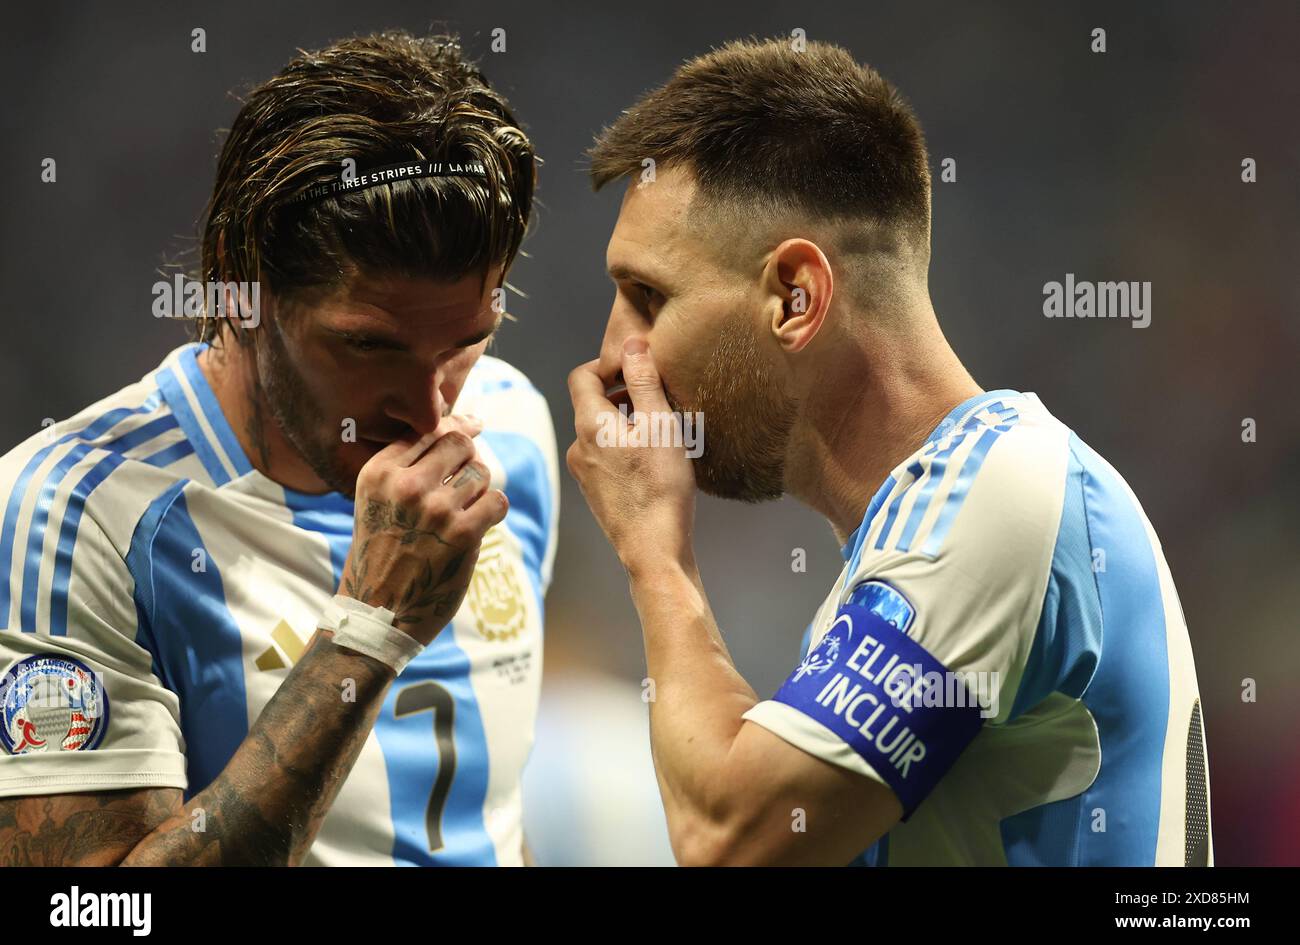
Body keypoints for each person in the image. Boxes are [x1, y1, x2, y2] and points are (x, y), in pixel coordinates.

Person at [566, 37, 1211, 866]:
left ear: (796, 297)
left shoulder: (996, 493)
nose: (616, 353)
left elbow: (729, 839)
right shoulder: (922, 534)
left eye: (648, 298)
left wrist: (655, 555)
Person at [0, 30, 558, 866]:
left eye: (466, 343)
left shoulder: (512, 424)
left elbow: (492, 822)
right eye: (369, 348)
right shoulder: (74, 513)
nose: (429, 409)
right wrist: (370, 634)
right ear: (238, 284)